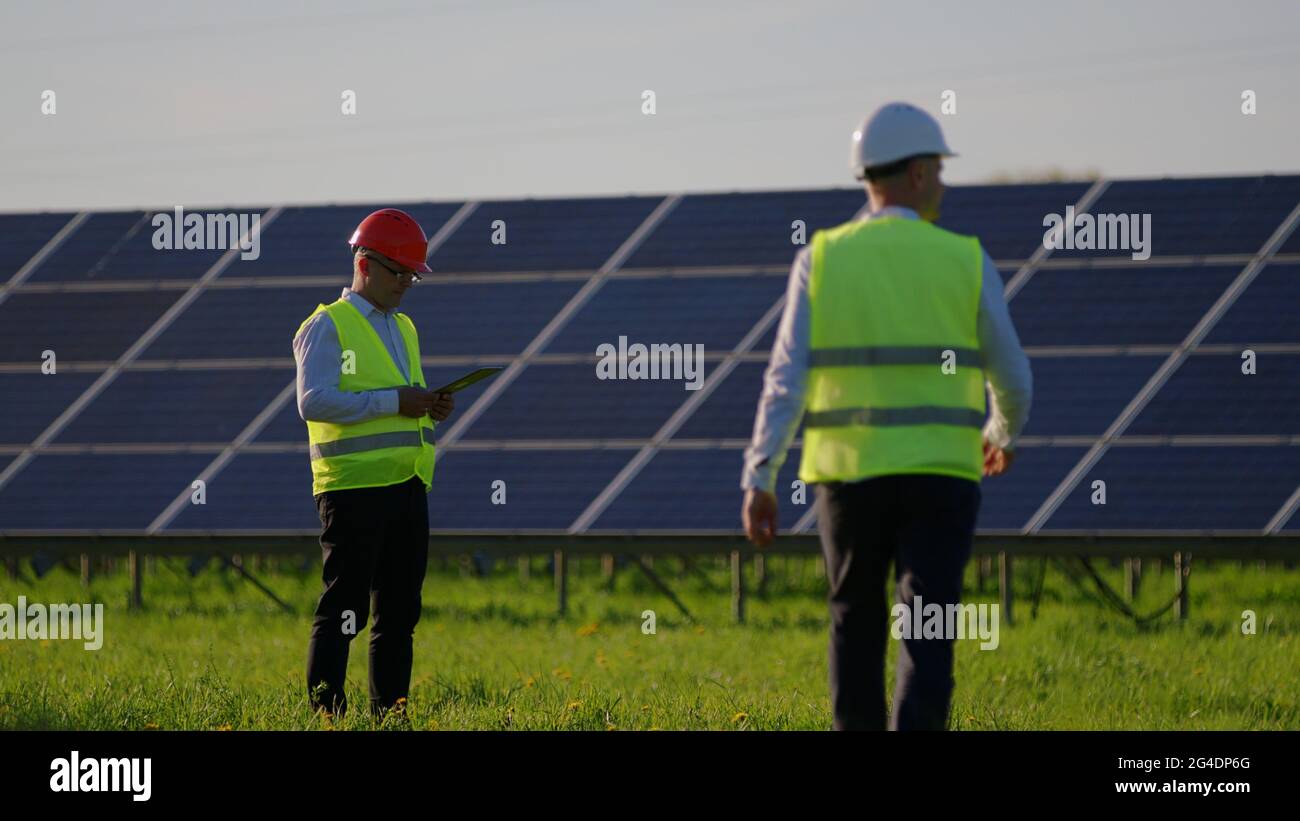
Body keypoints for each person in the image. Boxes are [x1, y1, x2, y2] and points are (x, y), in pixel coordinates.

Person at [741, 102, 1033, 730]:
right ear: (920, 174)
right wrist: (1000, 434)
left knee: (855, 622)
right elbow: (1013, 374)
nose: (945, 185)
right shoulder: (964, 259)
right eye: (940, 170)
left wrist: (762, 475)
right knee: (928, 629)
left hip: (848, 479)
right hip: (943, 478)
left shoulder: (822, 259)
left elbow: (784, 378)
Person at [293, 208, 455, 720]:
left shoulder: (404, 327)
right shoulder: (327, 325)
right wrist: (394, 402)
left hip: (408, 485)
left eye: (412, 275)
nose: (406, 283)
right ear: (365, 263)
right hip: (353, 488)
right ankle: (327, 715)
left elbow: (397, 395)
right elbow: (313, 401)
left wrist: (428, 405)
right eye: (398, 272)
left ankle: (391, 713)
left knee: (400, 612)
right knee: (344, 608)